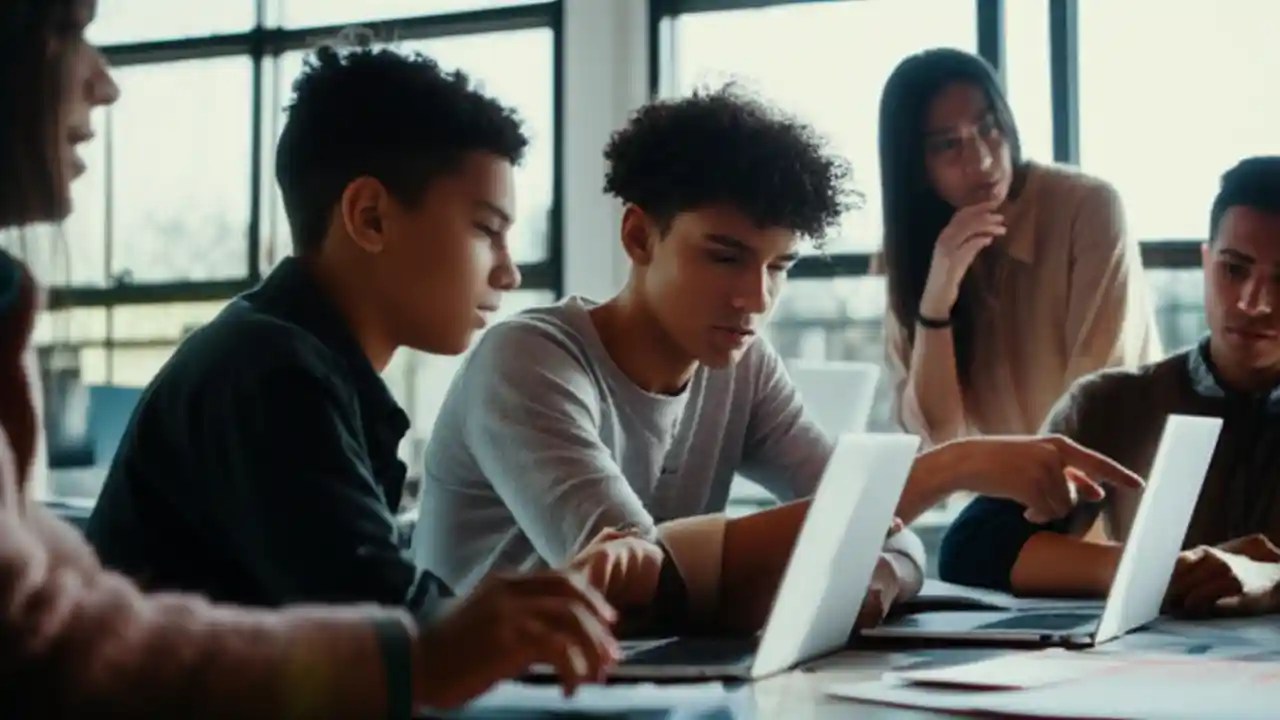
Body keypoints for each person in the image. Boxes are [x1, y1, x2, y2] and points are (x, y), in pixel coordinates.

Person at [1, 2, 627, 715]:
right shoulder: (271, 371)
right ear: (370, 217)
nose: (509, 274)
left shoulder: (285, 356)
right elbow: (389, 622)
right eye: (487, 230)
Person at [411, 85, 1148, 624]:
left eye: (779, 266)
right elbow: (650, 584)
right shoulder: (530, 363)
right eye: (725, 258)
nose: (756, 298)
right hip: (487, 700)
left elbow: (899, 547)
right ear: (639, 238)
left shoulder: (743, 365)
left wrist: (873, 578)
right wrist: (948, 469)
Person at [939, 156, 1280, 618]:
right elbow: (973, 549)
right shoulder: (1116, 404)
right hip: (1149, 678)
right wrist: (1160, 570)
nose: (1253, 302)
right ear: (1205, 262)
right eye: (1234, 270)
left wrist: (1271, 577)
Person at [880, 48, 1160, 447]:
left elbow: (1098, 399)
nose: (981, 159)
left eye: (987, 127)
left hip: (1106, 484)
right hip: (1002, 496)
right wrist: (937, 299)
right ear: (916, 167)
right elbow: (938, 438)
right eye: (948, 145)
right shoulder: (916, 249)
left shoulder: (1087, 208)